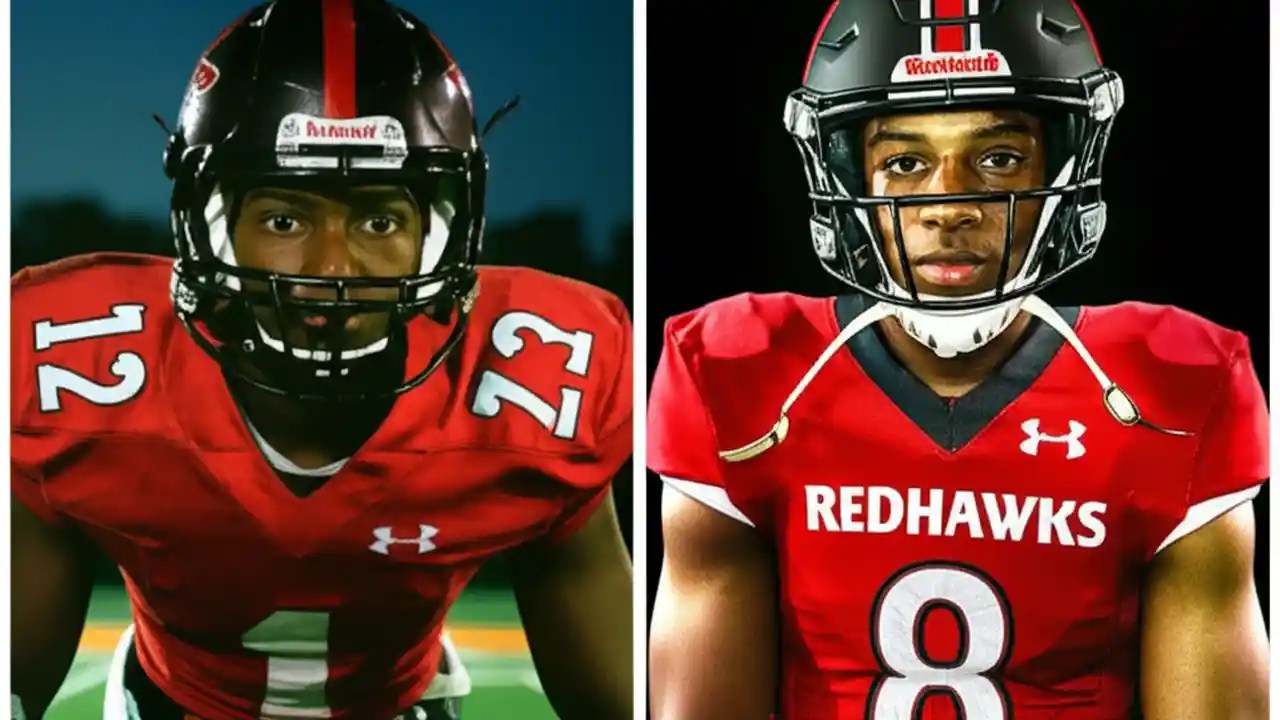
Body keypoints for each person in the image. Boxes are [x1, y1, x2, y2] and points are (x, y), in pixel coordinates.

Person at [647, 1, 1269, 718]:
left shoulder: (1174, 382)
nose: (951, 201)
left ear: (1068, 162)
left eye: (998, 158)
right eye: (906, 162)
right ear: (849, 174)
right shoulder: (742, 371)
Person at [12, 1, 633, 719]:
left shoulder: (540, 379)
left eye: (379, 219)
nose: (331, 267)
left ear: (445, 230)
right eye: (284, 218)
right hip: (165, 699)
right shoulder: (64, 370)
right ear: (207, 224)